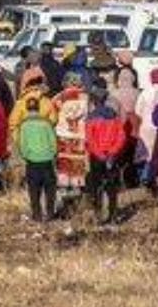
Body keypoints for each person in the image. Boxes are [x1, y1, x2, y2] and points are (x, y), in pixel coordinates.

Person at [84, 82, 126, 224]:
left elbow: (90, 140)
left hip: (97, 157)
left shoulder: (91, 118)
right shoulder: (114, 116)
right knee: (111, 187)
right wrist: (113, 152)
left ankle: (98, 215)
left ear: (94, 101)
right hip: (111, 156)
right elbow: (121, 137)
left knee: (96, 186)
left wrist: (100, 155)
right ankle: (113, 216)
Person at [16, 92, 59, 221]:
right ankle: (50, 213)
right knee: (50, 189)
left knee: (34, 190)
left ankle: (37, 214)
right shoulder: (46, 123)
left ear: (27, 108)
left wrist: (26, 156)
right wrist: (52, 154)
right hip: (47, 160)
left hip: (32, 161)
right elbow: (53, 142)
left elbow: (22, 144)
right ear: (38, 108)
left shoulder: (24, 125)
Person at [53, 74, 91, 212]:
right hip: (79, 136)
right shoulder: (86, 98)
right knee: (77, 166)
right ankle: (77, 191)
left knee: (64, 166)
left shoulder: (58, 98)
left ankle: (63, 192)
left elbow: (53, 117)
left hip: (63, 136)